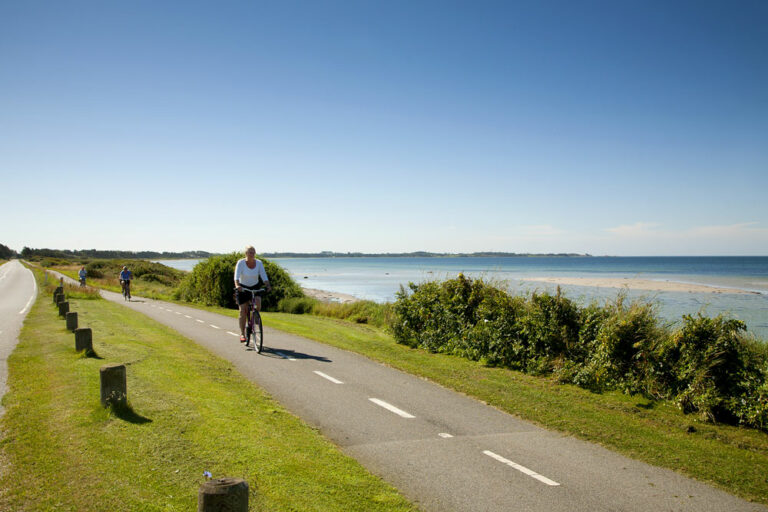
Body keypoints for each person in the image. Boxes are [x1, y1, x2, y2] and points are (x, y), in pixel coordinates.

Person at [234, 246, 271, 343]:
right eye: (250, 252)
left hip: (255, 286)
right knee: (243, 310)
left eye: (253, 252)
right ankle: (242, 334)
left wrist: (267, 285)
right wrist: (237, 285)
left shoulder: (259, 263)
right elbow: (236, 276)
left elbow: (263, 275)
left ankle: (255, 317)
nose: (252, 254)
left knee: (258, 303)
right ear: (246, 253)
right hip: (243, 287)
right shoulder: (241, 263)